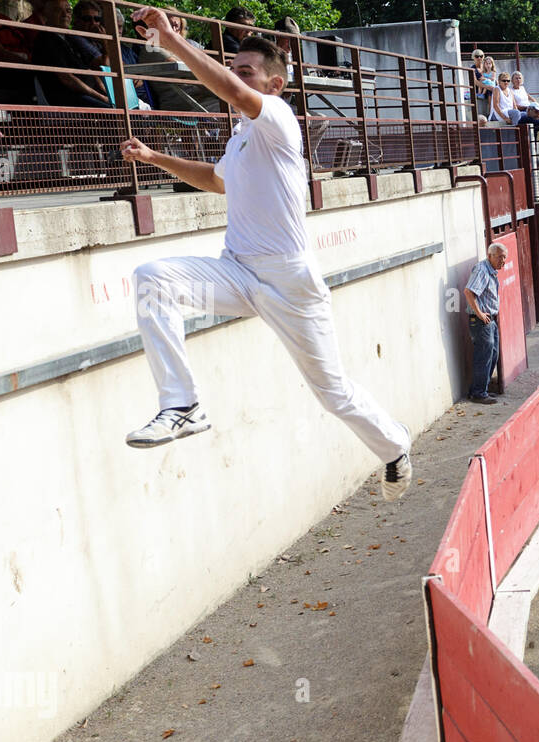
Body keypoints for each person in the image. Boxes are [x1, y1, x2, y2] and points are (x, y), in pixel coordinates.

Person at [119, 14, 413, 499]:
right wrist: (155, 158)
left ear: (274, 83)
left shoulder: (276, 117)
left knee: (332, 393)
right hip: (237, 271)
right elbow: (216, 181)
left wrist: (171, 41)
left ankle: (394, 446)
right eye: (235, 68)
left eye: (246, 70)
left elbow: (235, 93)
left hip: (290, 283)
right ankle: (182, 405)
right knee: (153, 277)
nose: (238, 76)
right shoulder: (239, 141)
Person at [31, 0, 115, 108]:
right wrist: (101, 97)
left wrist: (106, 92)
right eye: (58, 10)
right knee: (113, 111)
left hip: (86, 94)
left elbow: (90, 70)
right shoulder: (46, 39)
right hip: (67, 98)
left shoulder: (69, 38)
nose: (65, 14)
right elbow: (67, 79)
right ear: (46, 13)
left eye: (68, 10)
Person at [137, 12, 219, 112]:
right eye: (168, 25)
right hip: (183, 104)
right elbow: (182, 68)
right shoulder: (151, 49)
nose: (173, 30)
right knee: (230, 107)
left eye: (177, 26)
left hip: (201, 98)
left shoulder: (181, 48)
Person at [464, 243, 506, 405]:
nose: (503, 261)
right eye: (500, 257)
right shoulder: (482, 270)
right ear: (490, 256)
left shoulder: (491, 271)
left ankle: (481, 390)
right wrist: (479, 313)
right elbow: (468, 292)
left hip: (490, 320)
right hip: (481, 321)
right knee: (484, 356)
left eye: (504, 257)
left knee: (492, 354)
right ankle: (478, 393)